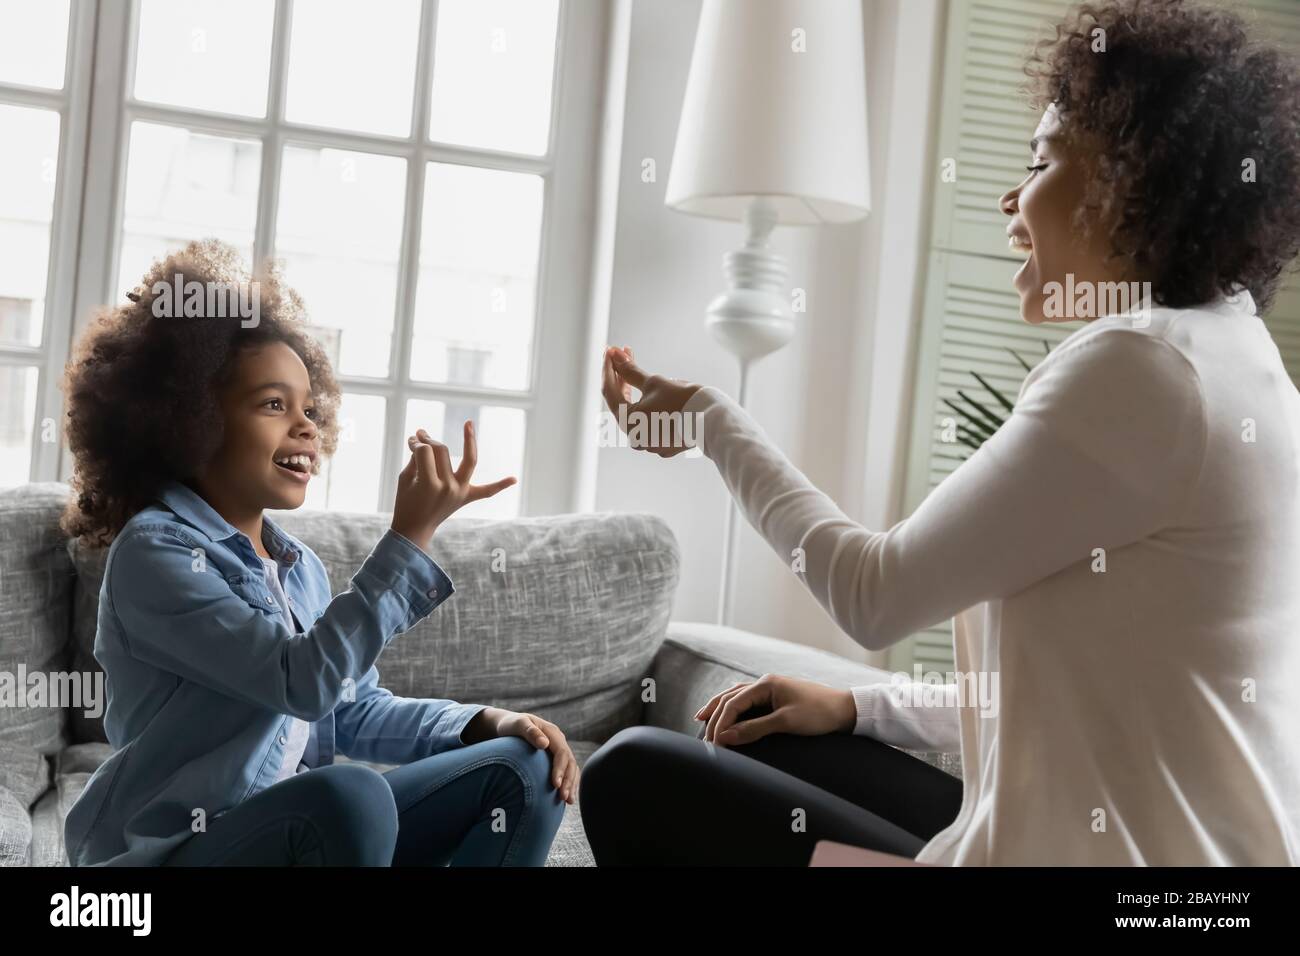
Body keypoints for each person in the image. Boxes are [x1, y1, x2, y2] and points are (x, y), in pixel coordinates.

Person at [580, 0, 1300, 866]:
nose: (1010, 196)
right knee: (773, 742)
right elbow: (1079, 688)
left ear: (1127, 177)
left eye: (1038, 163)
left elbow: (873, 594)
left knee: (633, 775)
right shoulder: (1230, 354)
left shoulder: (1141, 372)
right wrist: (855, 708)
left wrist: (707, 421)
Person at [60, 239, 576, 866]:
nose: (306, 426)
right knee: (349, 796)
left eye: (308, 408)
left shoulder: (297, 566)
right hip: (175, 855)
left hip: (294, 842)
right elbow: (298, 681)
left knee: (524, 767)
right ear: (189, 418)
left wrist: (483, 721)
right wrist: (408, 540)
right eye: (274, 404)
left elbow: (350, 709)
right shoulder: (155, 552)